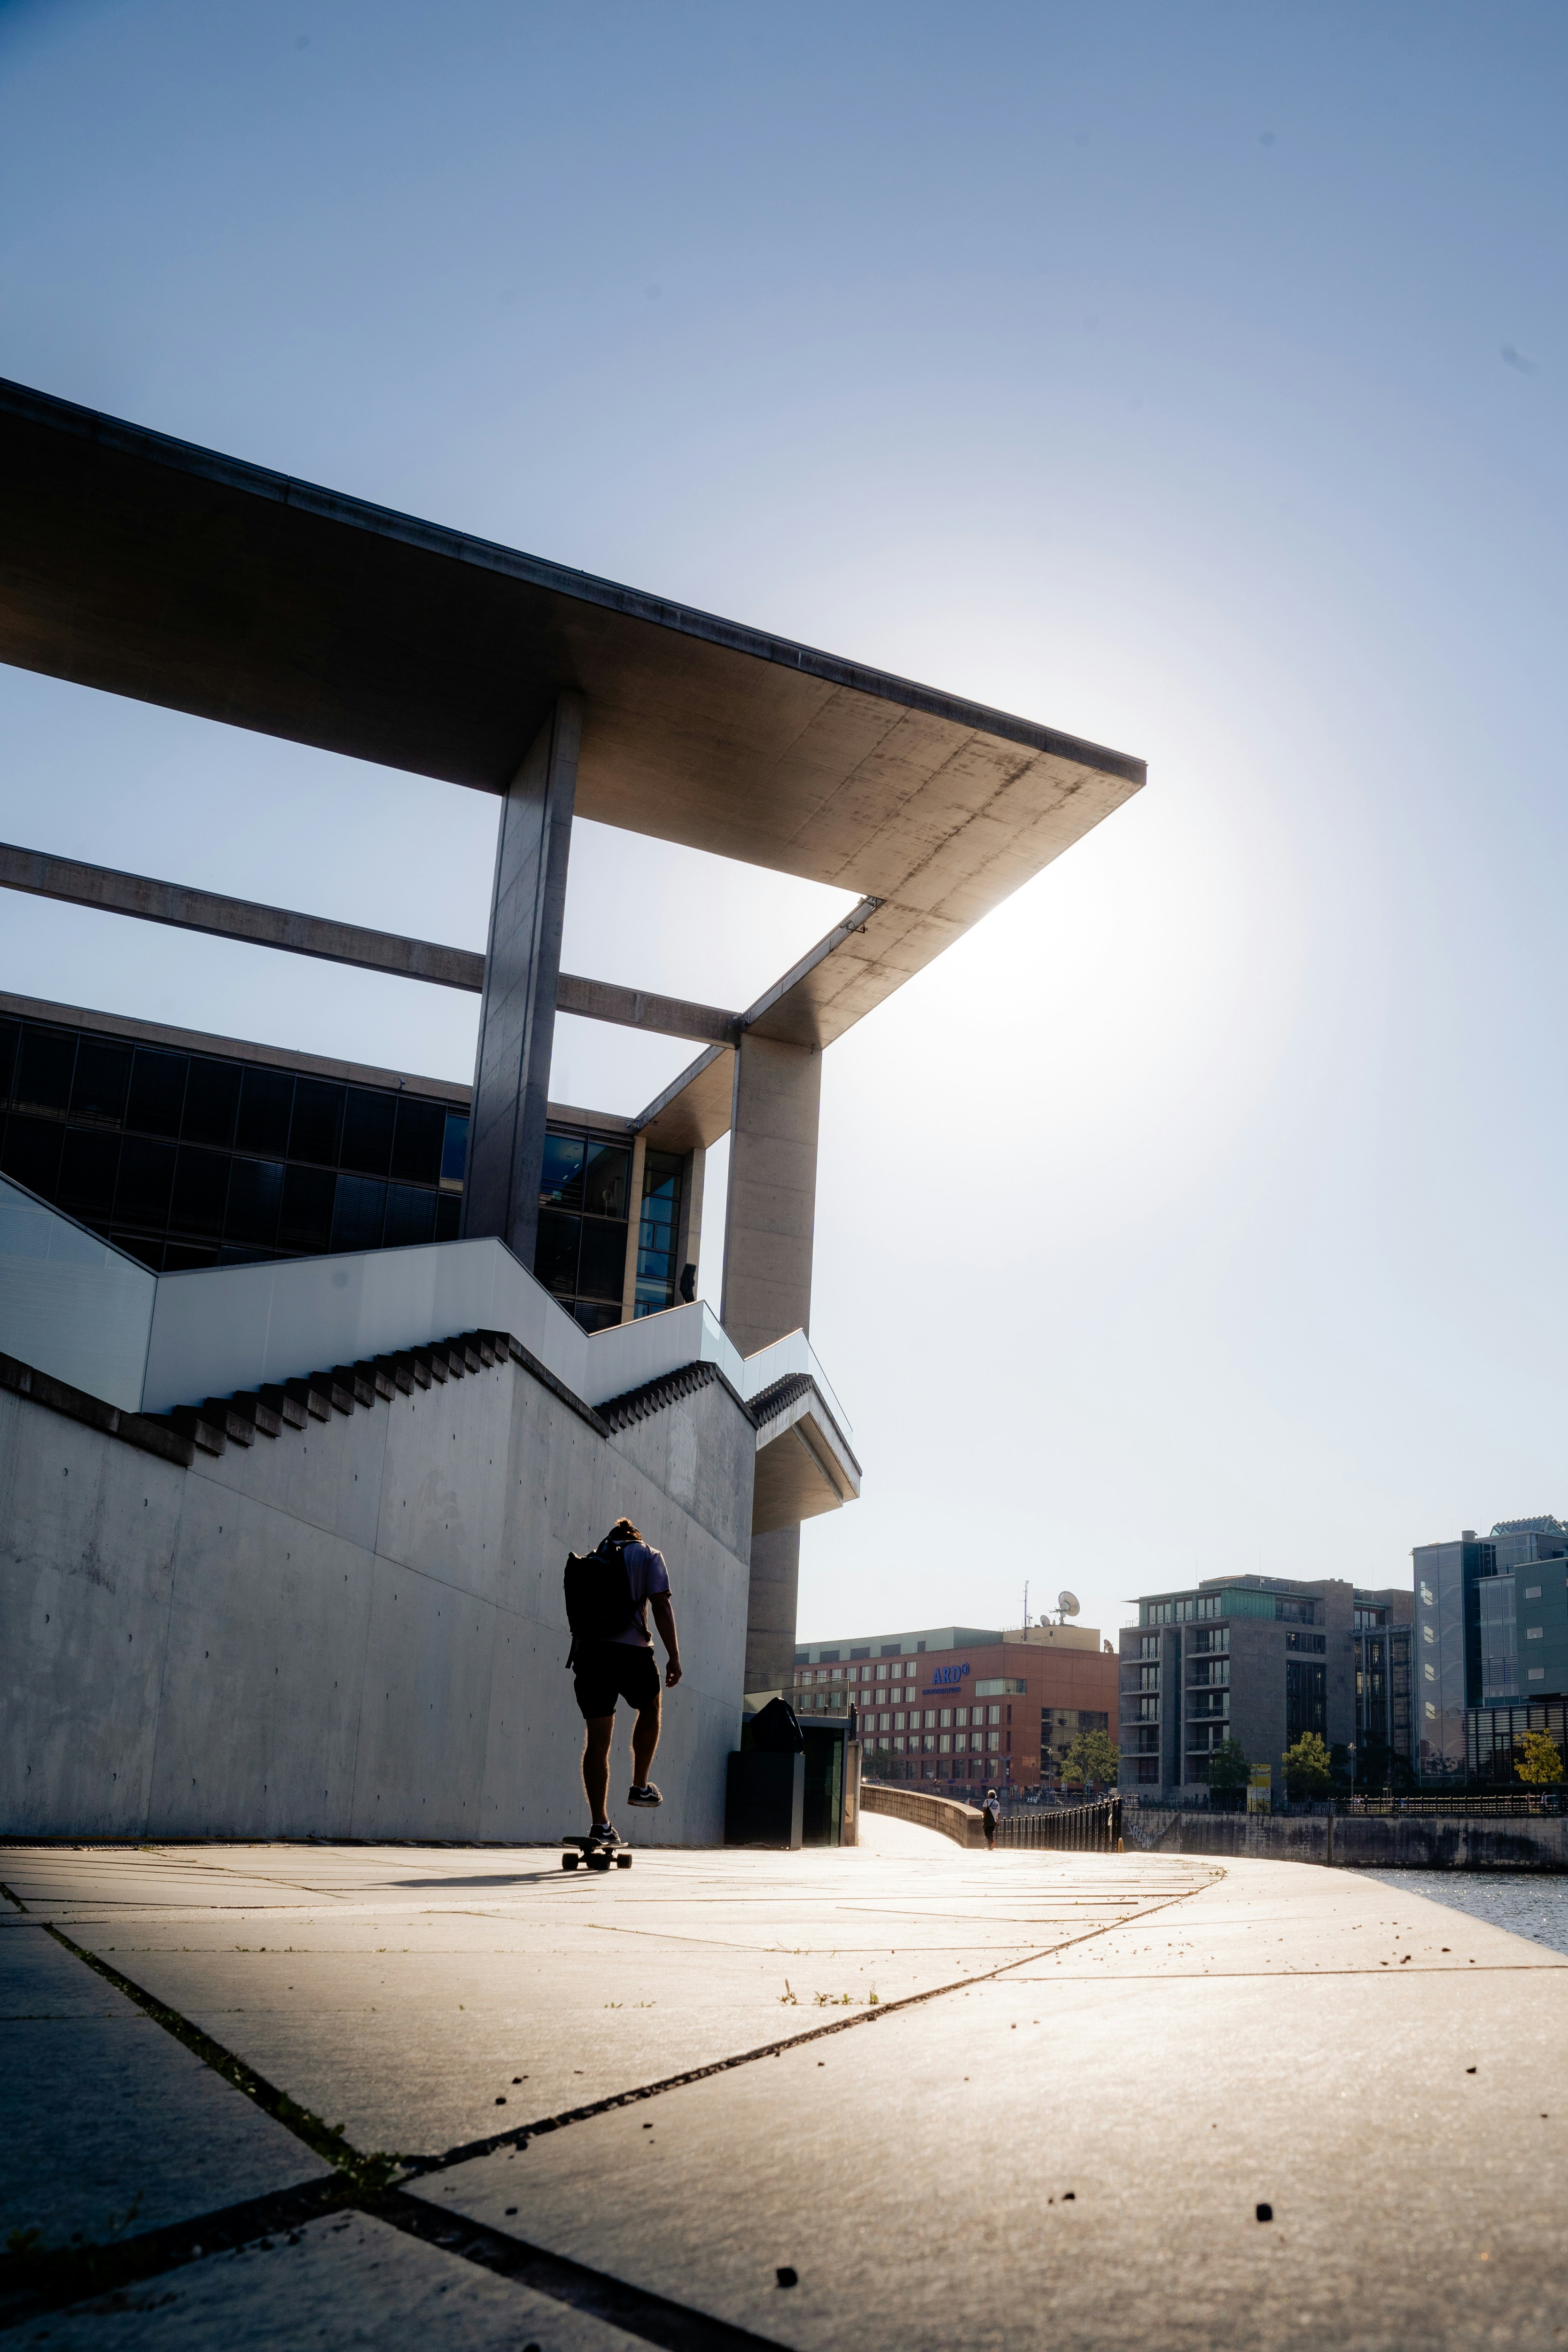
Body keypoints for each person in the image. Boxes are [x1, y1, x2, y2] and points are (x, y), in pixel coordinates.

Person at [573, 1516, 682, 1851]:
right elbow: (661, 1605)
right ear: (636, 1535)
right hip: (631, 1653)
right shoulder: (648, 1555)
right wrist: (673, 1656)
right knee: (650, 1707)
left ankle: (600, 1824)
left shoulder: (594, 1560)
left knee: (597, 1742)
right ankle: (639, 1785)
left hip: (590, 1654)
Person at [982, 1787, 1001, 1851]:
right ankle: (990, 1847)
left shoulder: (986, 1801)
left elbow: (985, 1810)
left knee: (986, 1833)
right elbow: (998, 1814)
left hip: (988, 1820)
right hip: (994, 1821)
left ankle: (992, 1841)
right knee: (991, 1833)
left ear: (989, 1796)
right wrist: (998, 1822)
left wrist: (984, 1817)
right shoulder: (997, 1803)